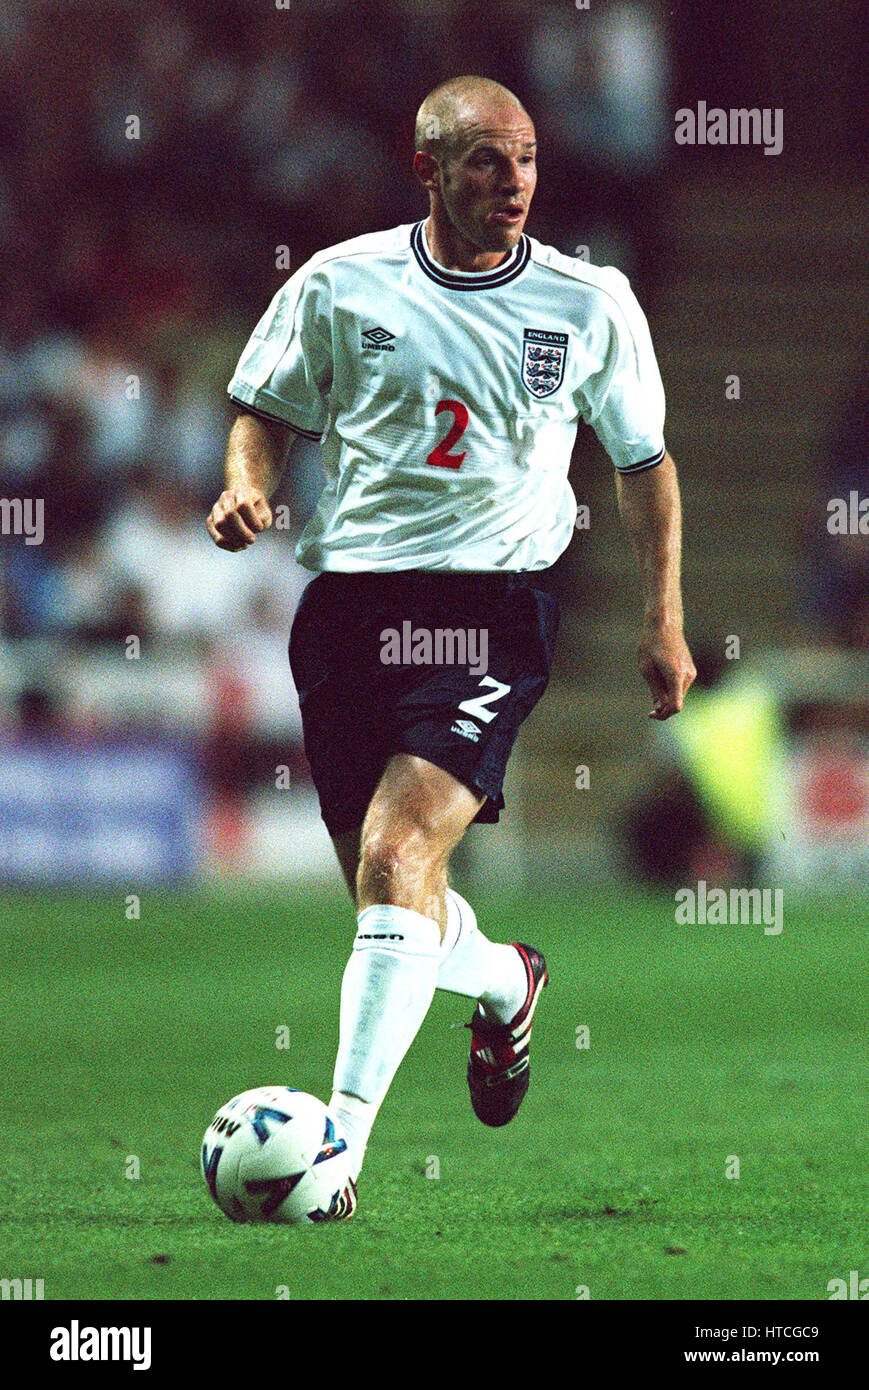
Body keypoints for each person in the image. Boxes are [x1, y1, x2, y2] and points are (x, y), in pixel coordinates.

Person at [206, 76, 695, 1218]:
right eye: (482, 160)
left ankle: (338, 1151)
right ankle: (504, 978)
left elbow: (643, 464)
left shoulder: (588, 302)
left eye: (523, 158)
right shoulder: (338, 283)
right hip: (345, 613)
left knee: (395, 855)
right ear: (424, 169)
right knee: (393, 899)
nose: (510, 181)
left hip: (490, 608)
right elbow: (266, 412)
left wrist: (662, 616)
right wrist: (245, 487)